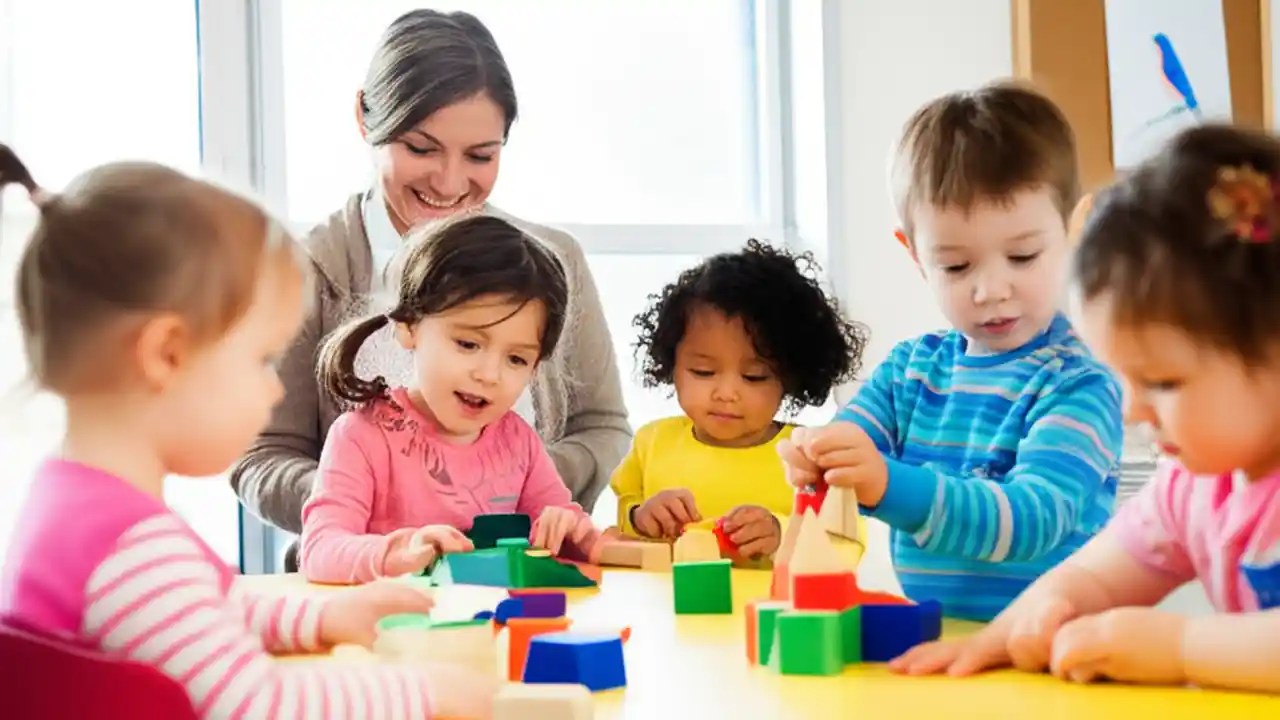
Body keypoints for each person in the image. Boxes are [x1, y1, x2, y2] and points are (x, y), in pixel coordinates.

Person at [0, 147, 495, 717]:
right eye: (262, 359)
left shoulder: (74, 504)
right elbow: (253, 707)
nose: (276, 390)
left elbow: (205, 609)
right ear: (166, 354)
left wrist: (326, 618)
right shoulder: (133, 550)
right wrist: (423, 694)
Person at [891, 125, 1280, 694]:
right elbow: (1096, 575)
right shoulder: (1191, 487)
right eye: (1123, 379)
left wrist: (1180, 647)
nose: (1132, 412)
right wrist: (1010, 630)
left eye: (1163, 381)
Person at [230, 9, 629, 542]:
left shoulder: (554, 260)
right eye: (421, 148)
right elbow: (260, 455)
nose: (449, 181)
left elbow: (601, 427)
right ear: (366, 119)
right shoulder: (303, 272)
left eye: (480, 155)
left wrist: (505, 488)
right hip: (363, 585)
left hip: (517, 567)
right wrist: (371, 497)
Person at [778, 81, 1124, 621]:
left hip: (1055, 650)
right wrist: (816, 454)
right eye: (957, 267)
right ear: (915, 254)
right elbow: (853, 442)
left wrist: (886, 483)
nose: (991, 289)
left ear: (1075, 232)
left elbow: (1031, 519)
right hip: (941, 638)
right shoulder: (909, 372)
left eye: (1023, 255)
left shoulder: (1079, 382)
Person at [299, 215, 601, 583]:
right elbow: (319, 550)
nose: (489, 374)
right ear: (409, 326)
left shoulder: (519, 442)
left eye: (516, 359)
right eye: (468, 344)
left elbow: (574, 537)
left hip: (490, 632)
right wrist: (401, 551)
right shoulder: (361, 436)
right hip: (394, 633)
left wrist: (570, 530)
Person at [612, 240, 867, 559]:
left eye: (754, 377)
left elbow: (847, 544)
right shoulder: (652, 443)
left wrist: (781, 533)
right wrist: (641, 518)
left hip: (769, 608)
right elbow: (619, 523)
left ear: (790, 377)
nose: (726, 394)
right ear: (671, 363)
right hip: (669, 608)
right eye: (703, 371)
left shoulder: (809, 458)